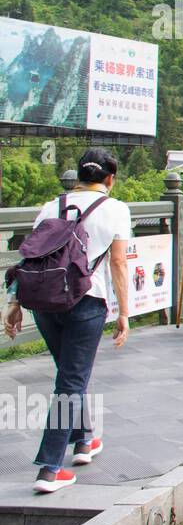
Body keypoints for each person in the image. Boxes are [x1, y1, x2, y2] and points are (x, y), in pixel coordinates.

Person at [5, 149, 131, 494]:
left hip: (44, 302)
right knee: (71, 381)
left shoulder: (51, 206)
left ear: (78, 176)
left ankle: (84, 440)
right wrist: (124, 312)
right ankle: (49, 468)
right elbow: (118, 264)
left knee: (70, 375)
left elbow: (30, 256)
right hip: (87, 302)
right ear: (110, 179)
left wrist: (15, 303)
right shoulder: (116, 209)